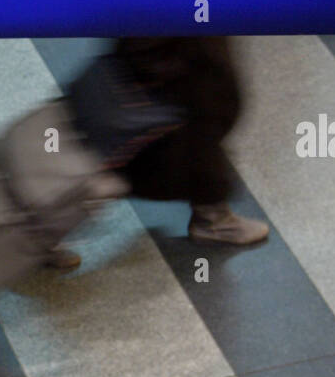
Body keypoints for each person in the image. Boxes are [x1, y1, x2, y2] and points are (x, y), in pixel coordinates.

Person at [48, 36, 268, 271]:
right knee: (126, 159)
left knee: (112, 143)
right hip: (162, 100)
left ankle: (213, 213)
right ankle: (38, 231)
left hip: (143, 73)